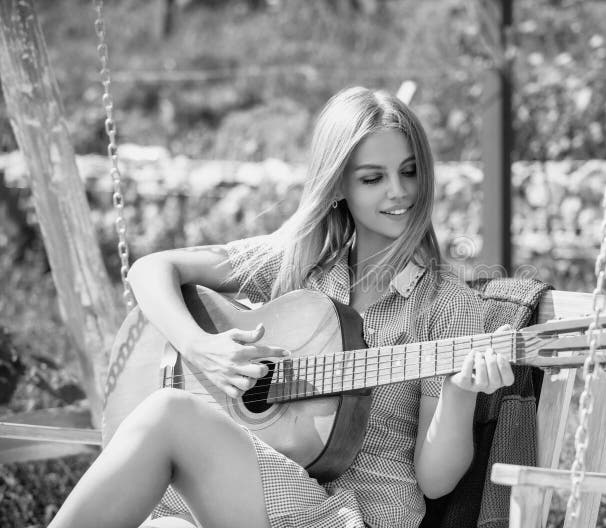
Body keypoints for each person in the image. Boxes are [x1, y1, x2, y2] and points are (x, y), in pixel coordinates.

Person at [48, 86, 515, 528]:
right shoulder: (301, 263)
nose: (398, 191)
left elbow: (435, 483)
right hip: (257, 492)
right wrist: (201, 347)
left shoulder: (447, 304)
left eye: (409, 171)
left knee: (169, 412)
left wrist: (459, 392)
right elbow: (150, 270)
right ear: (338, 187)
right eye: (373, 178)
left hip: (353, 516)